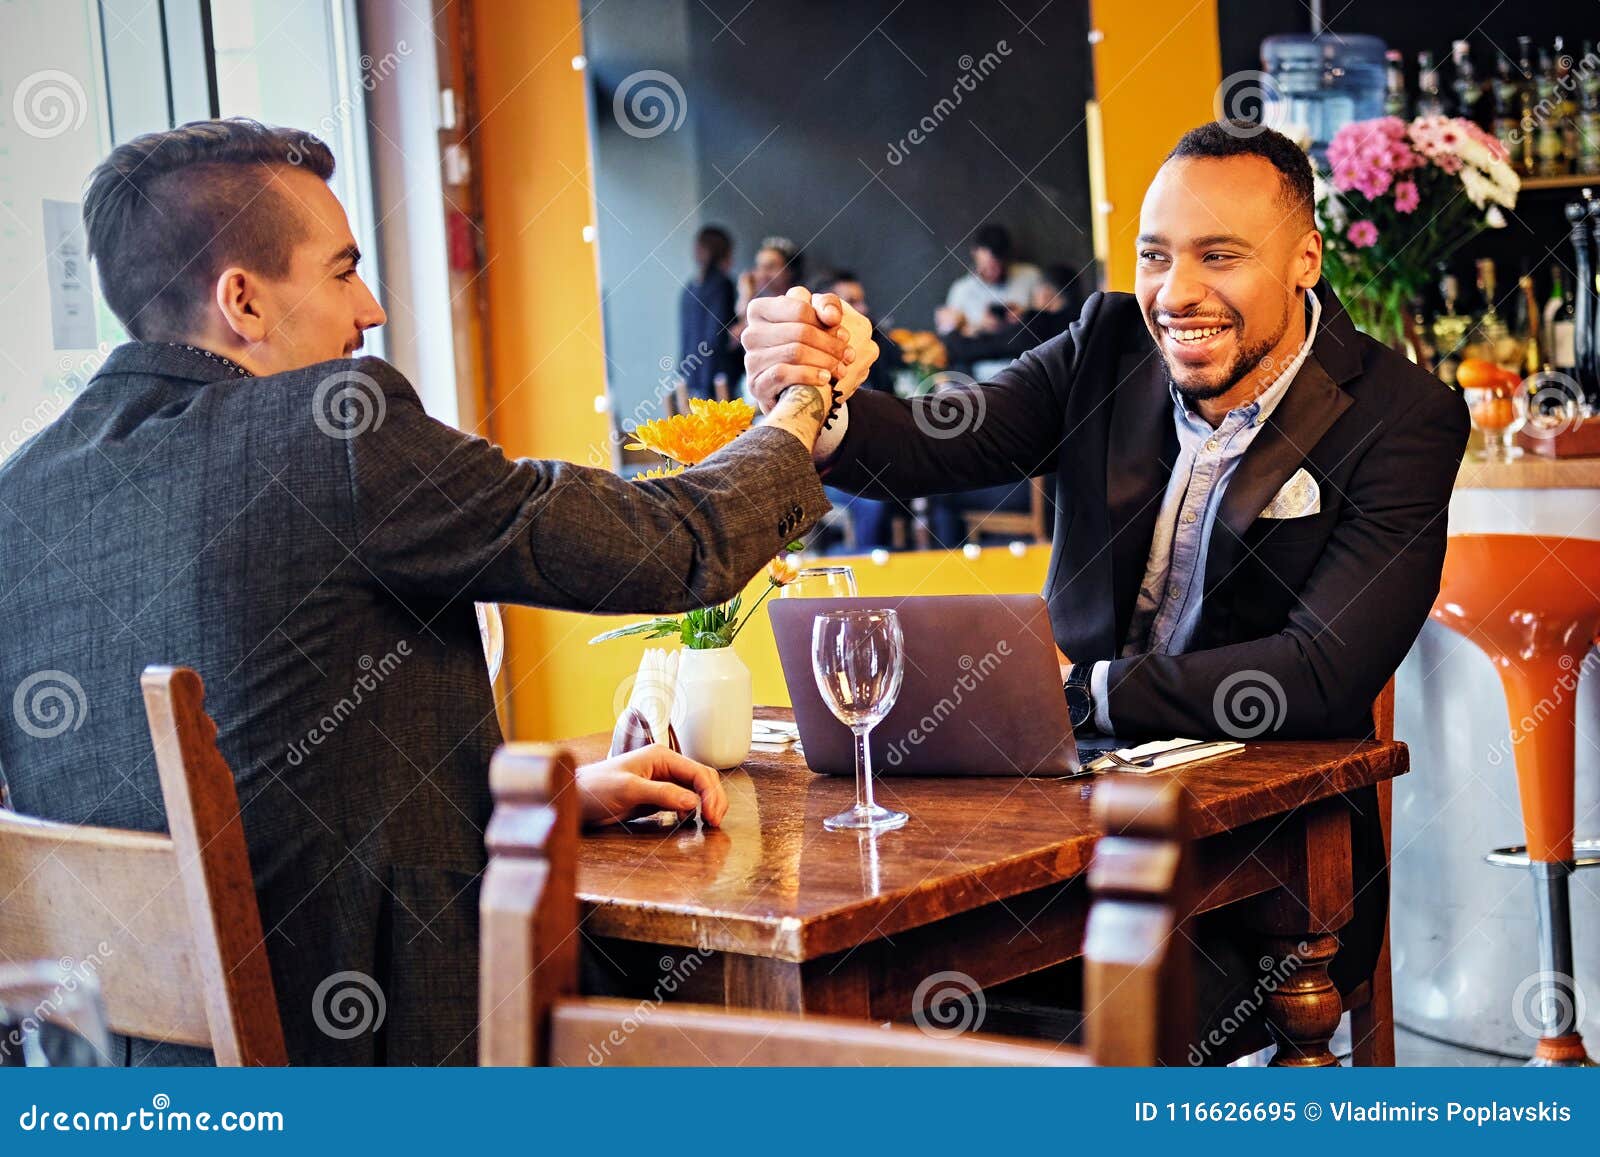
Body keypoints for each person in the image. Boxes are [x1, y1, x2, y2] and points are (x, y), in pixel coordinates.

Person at [0, 120, 857, 1066]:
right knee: (783, 1057)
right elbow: (664, 549)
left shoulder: (24, 493)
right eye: (340, 271)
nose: (367, 308)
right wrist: (800, 408)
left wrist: (531, 805)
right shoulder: (333, 433)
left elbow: (270, 778)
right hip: (391, 1054)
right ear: (241, 299)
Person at [742, 121, 1469, 1044]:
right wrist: (816, 398)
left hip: (1268, 869)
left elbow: (1323, 671)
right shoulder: (1107, 343)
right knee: (858, 985)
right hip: (1056, 836)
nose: (1178, 293)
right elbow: (938, 440)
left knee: (1047, 1037)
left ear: (1304, 261)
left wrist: (1082, 693)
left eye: (1220, 256)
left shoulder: (1403, 417)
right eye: (1155, 255)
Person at [940, 262, 1083, 368]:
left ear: (1046, 293)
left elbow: (982, 348)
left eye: (1036, 289)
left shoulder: (1037, 326)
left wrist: (955, 329)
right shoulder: (1082, 321)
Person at [935, 222, 1042, 337]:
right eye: (986, 268)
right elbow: (951, 337)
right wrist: (979, 327)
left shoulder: (1031, 277)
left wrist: (1027, 316)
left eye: (998, 267)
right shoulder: (961, 290)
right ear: (974, 254)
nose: (993, 274)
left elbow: (1051, 321)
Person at [677, 225, 739, 399]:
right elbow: (718, 336)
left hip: (691, 376)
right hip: (716, 376)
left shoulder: (691, 287)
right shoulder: (722, 284)